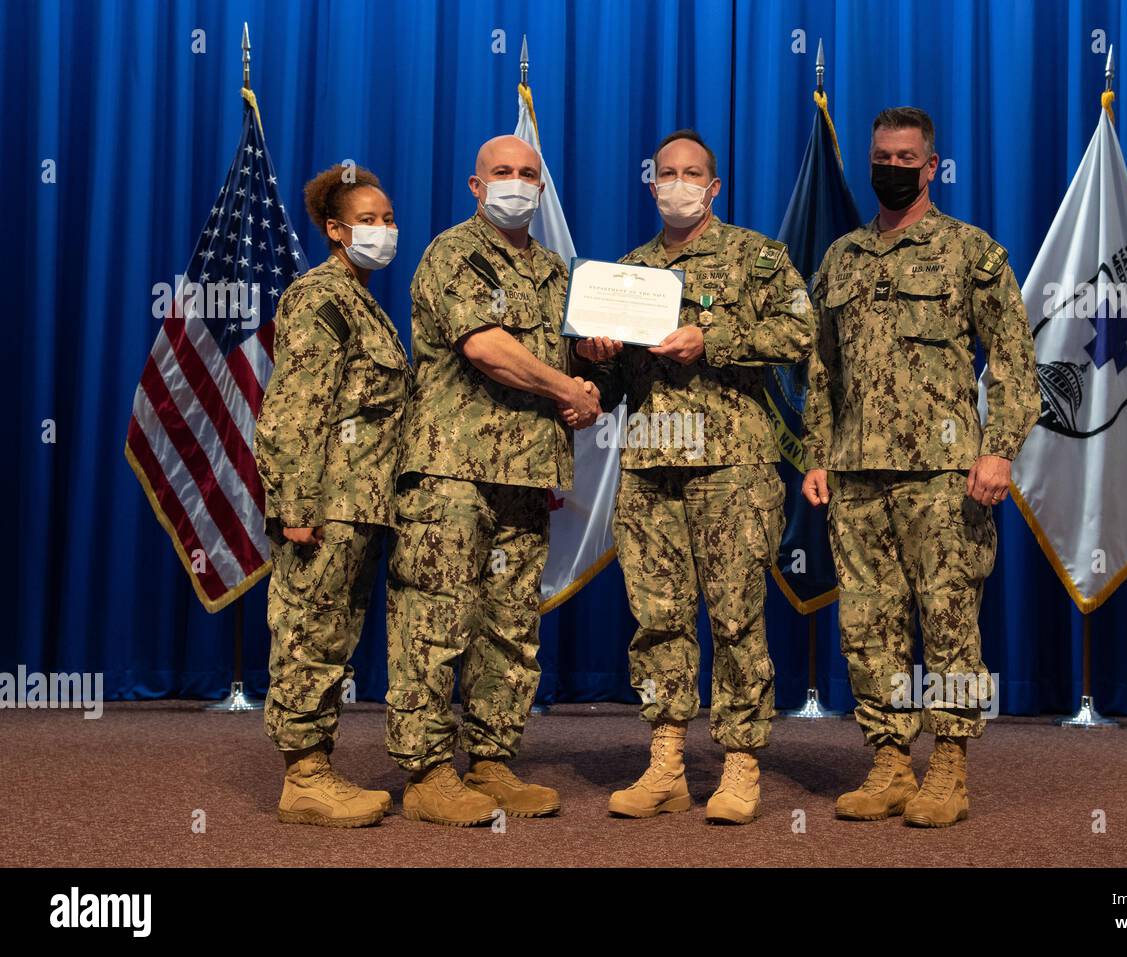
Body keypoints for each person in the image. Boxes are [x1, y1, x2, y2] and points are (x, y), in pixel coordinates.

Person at [802, 107, 1038, 827]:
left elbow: (1017, 360)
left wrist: (998, 448)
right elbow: (821, 369)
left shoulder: (971, 252)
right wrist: (816, 455)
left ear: (931, 166)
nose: (893, 168)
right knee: (869, 624)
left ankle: (950, 767)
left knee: (948, 616)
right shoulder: (841, 258)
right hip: (856, 473)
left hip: (944, 474)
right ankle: (888, 760)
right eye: (882, 156)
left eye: (907, 158)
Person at [578, 129, 813, 825]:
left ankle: (741, 763)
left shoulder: (758, 258)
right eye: (668, 174)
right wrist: (596, 356)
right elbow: (612, 387)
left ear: (715, 188)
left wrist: (714, 339)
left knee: (737, 617)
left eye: (694, 174)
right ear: (652, 185)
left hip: (733, 467)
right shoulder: (625, 273)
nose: (679, 184)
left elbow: (801, 333)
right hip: (649, 467)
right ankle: (667, 761)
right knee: (657, 621)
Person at [385, 135, 600, 826]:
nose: (515, 183)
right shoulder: (454, 252)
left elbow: (566, 363)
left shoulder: (557, 273)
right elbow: (487, 348)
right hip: (452, 468)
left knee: (508, 626)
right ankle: (425, 771)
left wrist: (590, 367)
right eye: (501, 173)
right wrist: (566, 382)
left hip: (525, 473)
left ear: (542, 188)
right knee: (435, 618)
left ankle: (491, 758)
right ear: (476, 187)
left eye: (527, 174)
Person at [255, 163, 413, 827]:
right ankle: (305, 780)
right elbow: (292, 408)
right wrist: (294, 507)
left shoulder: (361, 299)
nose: (382, 230)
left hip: (361, 505)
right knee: (308, 635)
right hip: (325, 507)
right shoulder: (320, 296)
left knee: (333, 635)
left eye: (387, 218)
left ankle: (317, 768)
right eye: (368, 220)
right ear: (334, 229)